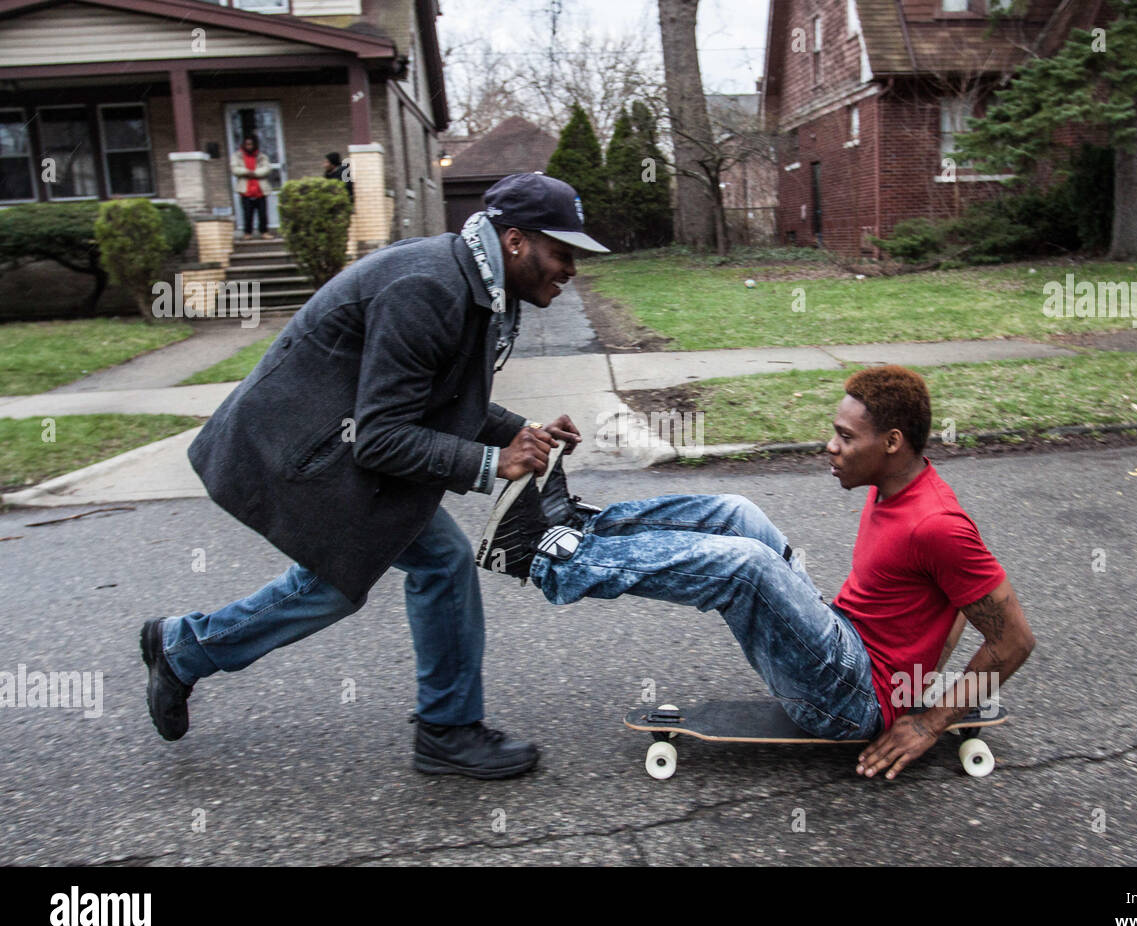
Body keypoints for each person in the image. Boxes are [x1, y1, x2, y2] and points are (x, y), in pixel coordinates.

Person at [140, 173, 611, 780]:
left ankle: (184, 649)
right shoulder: (429, 288)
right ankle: (446, 730)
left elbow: (442, 396)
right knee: (389, 574)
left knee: (395, 572)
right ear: (515, 241)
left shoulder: (475, 281)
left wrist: (524, 430)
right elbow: (382, 437)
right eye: (562, 251)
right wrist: (495, 462)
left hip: (333, 441)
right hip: (300, 451)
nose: (571, 268)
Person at [478, 365, 1036, 780]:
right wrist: (923, 672)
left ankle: (546, 559)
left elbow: (1013, 640)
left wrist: (926, 722)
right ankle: (579, 525)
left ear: (892, 443)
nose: (830, 446)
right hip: (844, 641)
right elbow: (957, 599)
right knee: (738, 513)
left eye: (846, 437)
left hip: (850, 699)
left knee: (747, 566)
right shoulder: (900, 485)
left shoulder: (936, 525)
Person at [231, 134, 273, 239]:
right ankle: (247, 233)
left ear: (255, 145)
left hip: (260, 190)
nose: (249, 146)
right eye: (247, 144)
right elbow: (235, 169)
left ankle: (264, 232)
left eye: (251, 144)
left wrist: (254, 173)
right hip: (246, 191)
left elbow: (267, 168)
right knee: (247, 214)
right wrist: (247, 172)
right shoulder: (237, 156)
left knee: (262, 214)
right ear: (244, 145)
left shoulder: (261, 156)